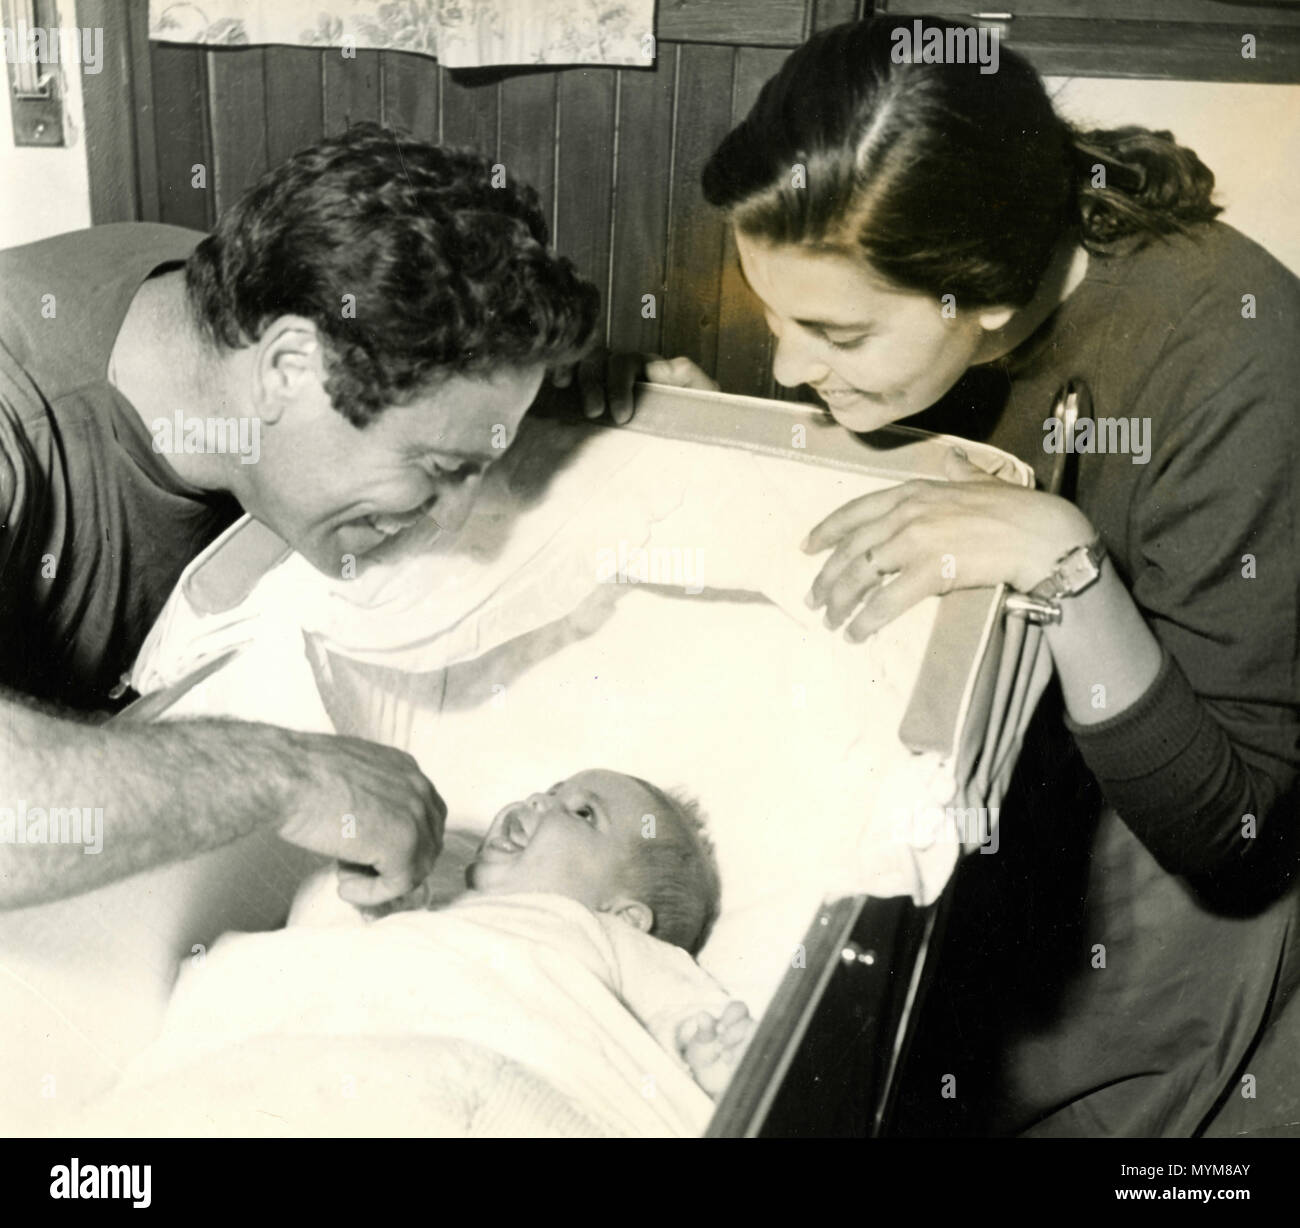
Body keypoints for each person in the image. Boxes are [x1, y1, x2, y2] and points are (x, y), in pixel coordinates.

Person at [592, 16, 1300, 1137]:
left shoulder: (1239, 366)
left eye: (831, 332)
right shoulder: (966, 270)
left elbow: (1238, 833)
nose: (786, 361)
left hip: (1171, 890)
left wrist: (1060, 562)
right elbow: (927, 455)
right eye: (774, 314)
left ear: (989, 297)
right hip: (1006, 823)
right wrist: (718, 434)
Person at [0, 124, 600, 910]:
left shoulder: (264, 303)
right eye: (439, 469)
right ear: (291, 368)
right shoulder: (20, 421)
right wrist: (294, 777)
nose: (453, 517)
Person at [77, 769, 754, 1137]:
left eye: (583, 814)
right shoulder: (429, 905)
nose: (542, 801)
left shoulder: (605, 940)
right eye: (550, 789)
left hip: (499, 1095)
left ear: (626, 913)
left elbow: (699, 1020)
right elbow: (318, 948)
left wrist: (720, 1062)